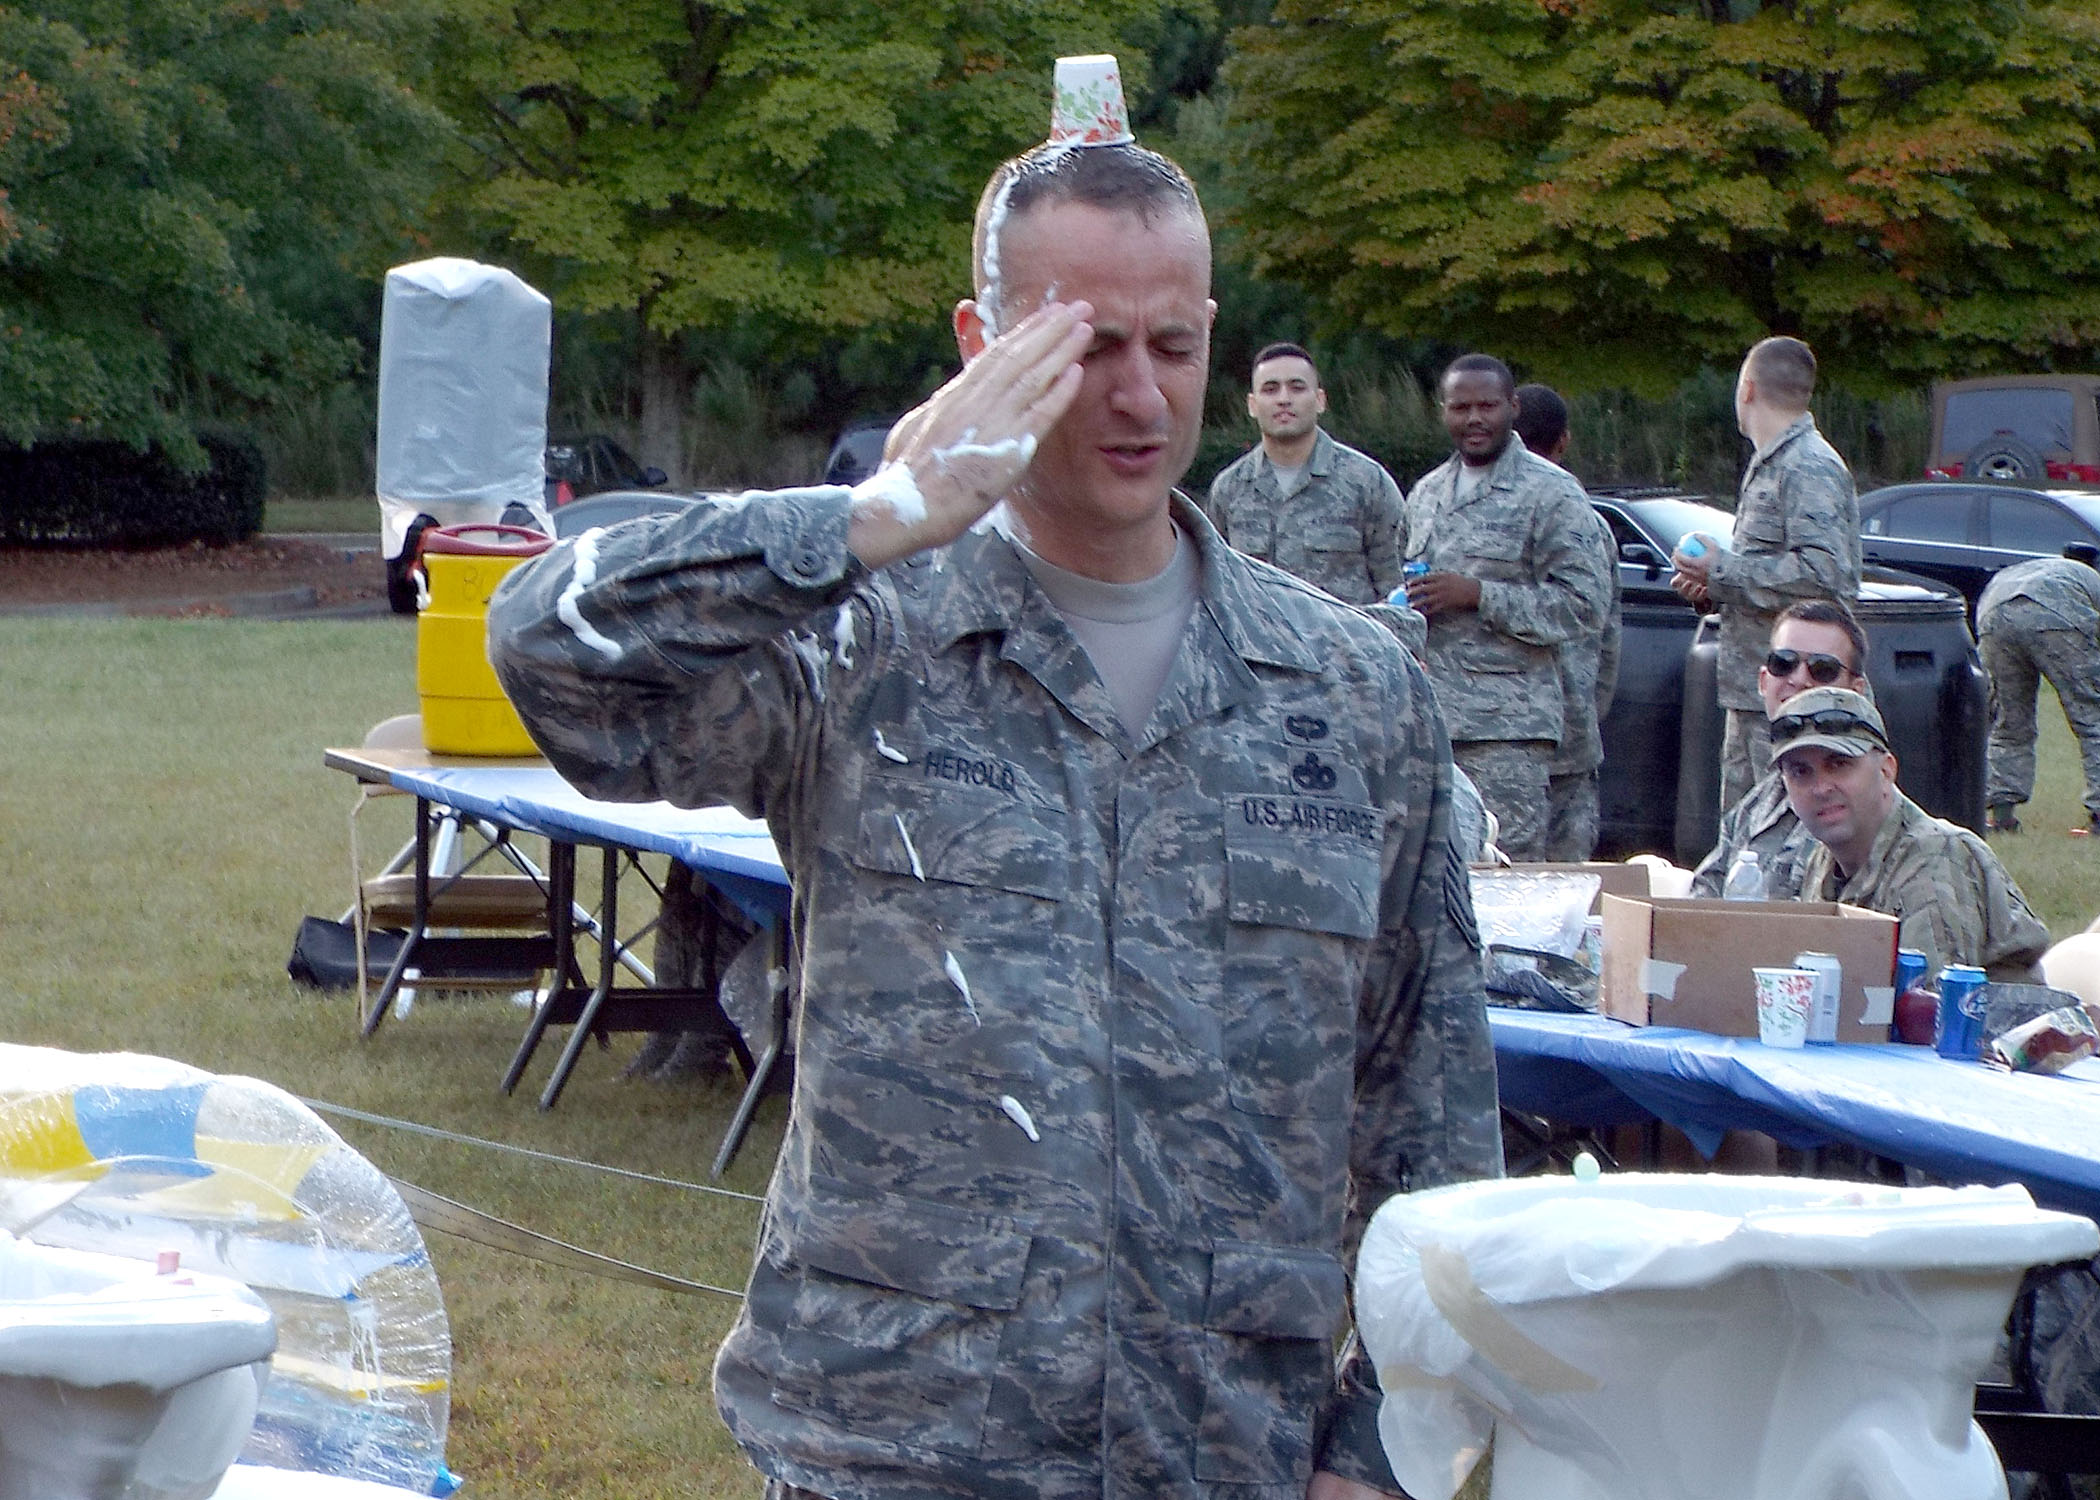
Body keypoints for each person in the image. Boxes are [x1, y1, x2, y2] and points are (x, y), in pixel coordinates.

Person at [489, 121, 1500, 1500]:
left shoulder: (1350, 692)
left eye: (1176, 345)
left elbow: (1432, 1110)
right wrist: (867, 518)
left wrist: (1384, 1438)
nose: (1139, 394)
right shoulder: (860, 645)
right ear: (982, 343)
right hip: (900, 1445)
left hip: (1223, 1455)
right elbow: (551, 656)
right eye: (1086, 347)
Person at [1402, 356, 1614, 860]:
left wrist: (1479, 594)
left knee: (1507, 876)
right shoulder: (1427, 494)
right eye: (1460, 407)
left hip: (1509, 733)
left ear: (1512, 407)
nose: (1474, 419)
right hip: (1434, 726)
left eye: (1487, 406)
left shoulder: (1552, 493)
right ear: (1444, 412)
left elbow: (1583, 606)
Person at [1670, 336, 1860, 811]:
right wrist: (1711, 589)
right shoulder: (1772, 462)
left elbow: (1824, 576)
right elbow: (1771, 577)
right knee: (1748, 851)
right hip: (1757, 697)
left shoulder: (1808, 466)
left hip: (1801, 696)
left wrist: (1723, 569)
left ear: (1747, 388)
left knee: (1793, 851)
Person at [1773, 686, 2050, 982]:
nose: (1821, 787)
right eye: (1801, 772)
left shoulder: (1933, 862)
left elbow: (1930, 1012)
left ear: (1886, 771)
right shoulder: (1823, 859)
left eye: (1839, 765)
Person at [1689, 599, 1872, 899]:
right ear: (1763, 681)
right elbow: (1704, 895)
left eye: (1822, 669)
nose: (1799, 680)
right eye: (1783, 663)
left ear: (1856, 691)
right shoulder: (1757, 804)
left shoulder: (1861, 796)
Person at [1203, 343, 1408, 605]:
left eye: (1297, 387)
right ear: (1252, 405)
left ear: (1320, 400)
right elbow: (1216, 589)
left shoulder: (1366, 482)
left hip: (1345, 644)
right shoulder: (1230, 490)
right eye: (1270, 389)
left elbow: (1398, 591)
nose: (1283, 399)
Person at [1513, 383, 1621, 861]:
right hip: (1570, 731)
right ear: (1564, 442)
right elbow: (1609, 639)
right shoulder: (1590, 526)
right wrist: (1591, 714)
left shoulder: (1466, 511)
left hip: (1497, 731)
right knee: (1567, 882)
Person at [1977, 547, 2100, 836]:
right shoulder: (2090, 579)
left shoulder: (2032, 568)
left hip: (1993, 616)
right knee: (2093, 719)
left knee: (2009, 723)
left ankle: (2002, 816)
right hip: (2055, 614)